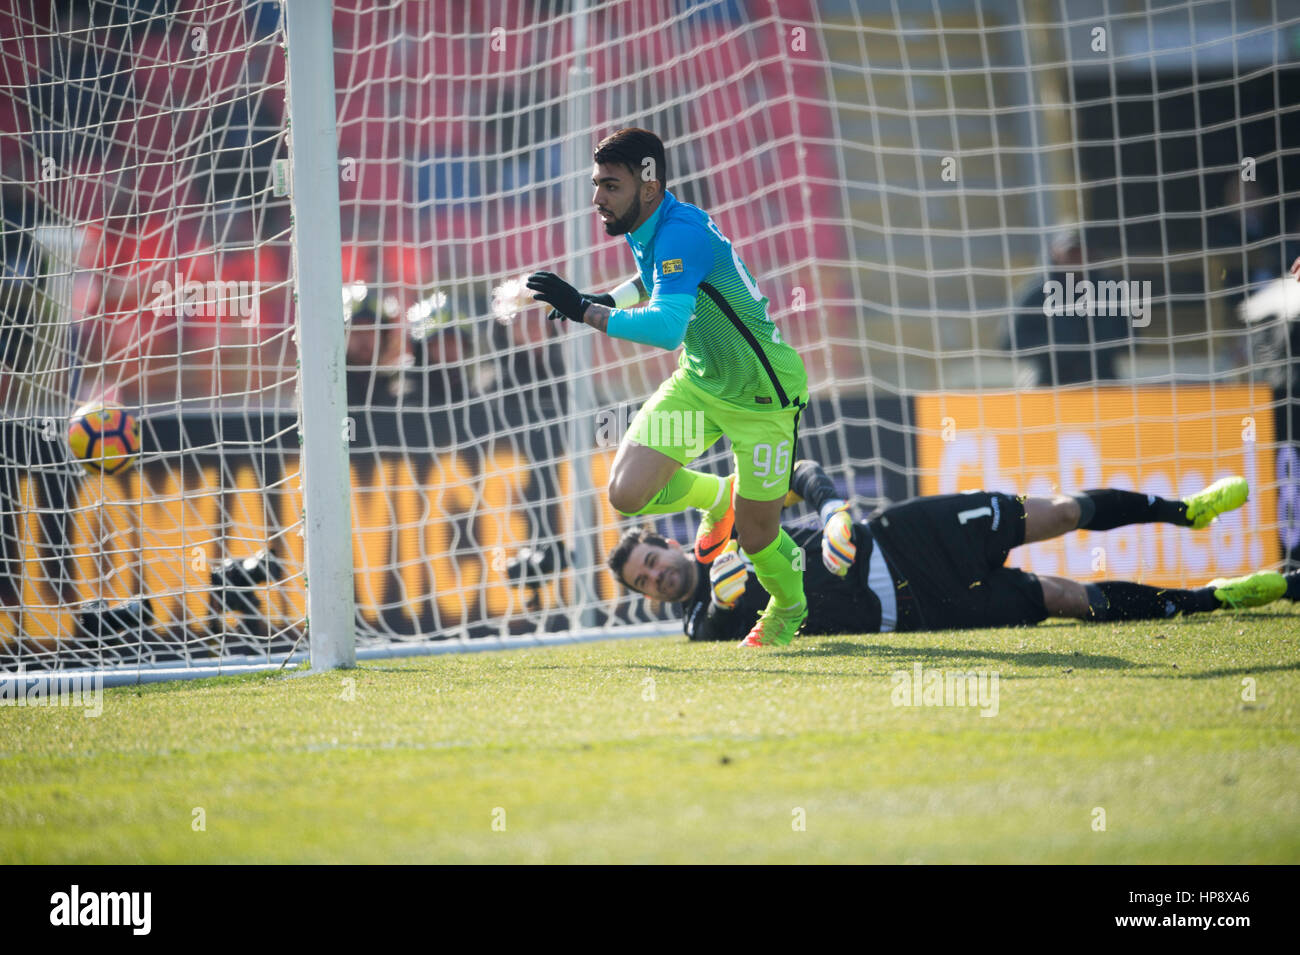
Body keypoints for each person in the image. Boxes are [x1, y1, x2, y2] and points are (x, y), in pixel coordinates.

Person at [527, 128, 810, 646]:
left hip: (763, 396)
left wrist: (585, 311)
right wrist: (605, 298)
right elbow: (651, 280)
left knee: (758, 537)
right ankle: (717, 496)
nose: (597, 199)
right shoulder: (650, 223)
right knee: (626, 493)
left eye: (610, 186)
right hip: (702, 382)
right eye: (596, 184)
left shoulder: (679, 232)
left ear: (649, 186)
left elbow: (664, 328)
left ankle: (788, 609)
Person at [606, 460, 1293, 646]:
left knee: (1057, 513)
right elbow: (709, 626)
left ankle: (1185, 511)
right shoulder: (709, 620)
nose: (659, 577)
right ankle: (1219, 596)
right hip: (915, 614)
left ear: (669, 540)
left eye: (653, 561)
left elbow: (795, 470)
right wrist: (718, 595)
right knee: (1060, 598)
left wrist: (835, 509)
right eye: (647, 583)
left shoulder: (726, 519)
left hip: (905, 535)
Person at [1003, 228, 1130, 385]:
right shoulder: (1036, 295)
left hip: (1102, 383)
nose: (1078, 259)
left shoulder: (1111, 292)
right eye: (1072, 253)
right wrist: (1056, 343)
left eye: (1083, 252)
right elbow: (1009, 344)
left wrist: (1097, 339)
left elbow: (1132, 338)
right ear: (1056, 253)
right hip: (1050, 385)